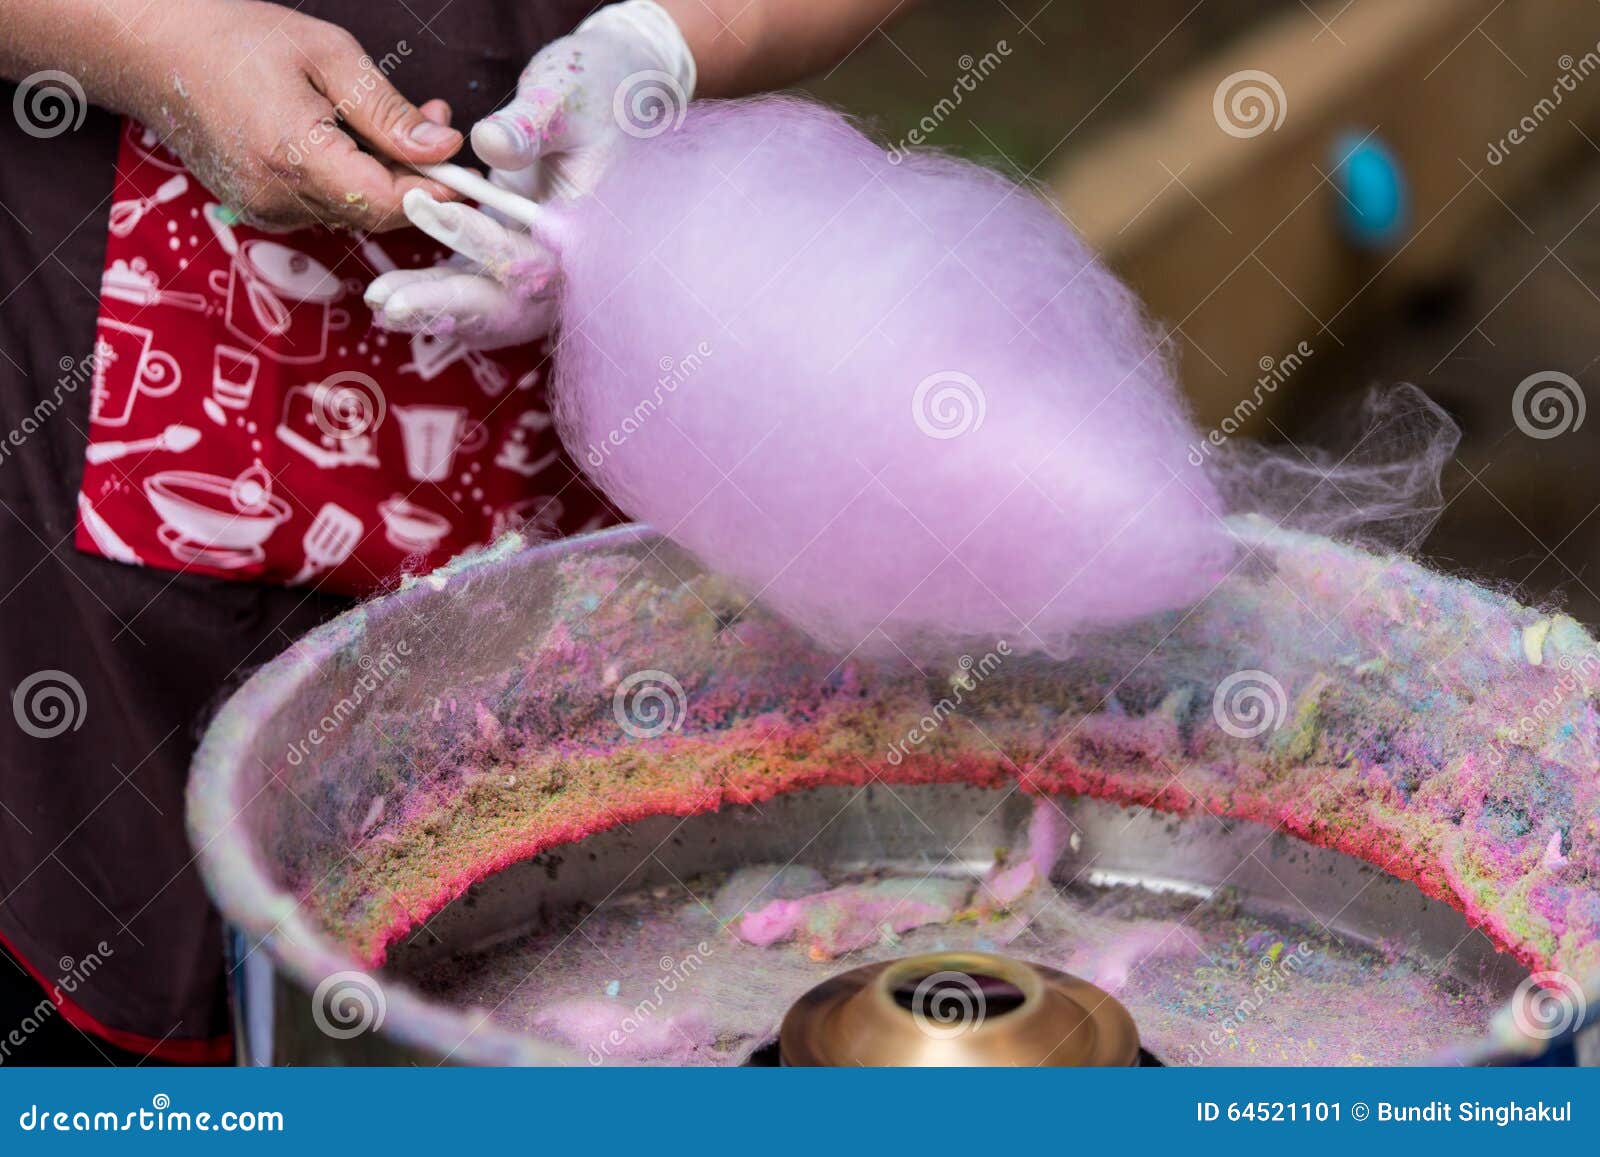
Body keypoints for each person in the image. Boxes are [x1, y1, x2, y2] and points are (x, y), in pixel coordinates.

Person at [0, 0, 908, 1064]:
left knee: (594, 898)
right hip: (121, 376)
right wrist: (155, 44)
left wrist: (667, 43)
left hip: (598, 371)